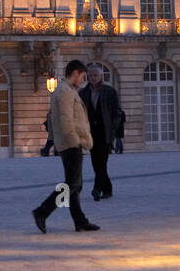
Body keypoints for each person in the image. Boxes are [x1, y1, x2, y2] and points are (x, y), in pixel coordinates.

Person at [31, 60, 99, 233]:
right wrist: (76, 140)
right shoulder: (64, 92)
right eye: (83, 76)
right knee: (71, 184)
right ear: (75, 73)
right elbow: (66, 120)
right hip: (70, 143)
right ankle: (42, 212)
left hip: (70, 142)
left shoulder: (68, 90)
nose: (83, 80)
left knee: (74, 184)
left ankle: (80, 221)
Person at [78, 63, 121, 200]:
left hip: (105, 131)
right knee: (96, 162)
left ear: (101, 76)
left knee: (101, 161)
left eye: (95, 75)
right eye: (90, 75)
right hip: (90, 132)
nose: (93, 78)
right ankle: (107, 189)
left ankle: (97, 189)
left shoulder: (110, 91)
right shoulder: (83, 93)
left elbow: (117, 112)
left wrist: (113, 127)